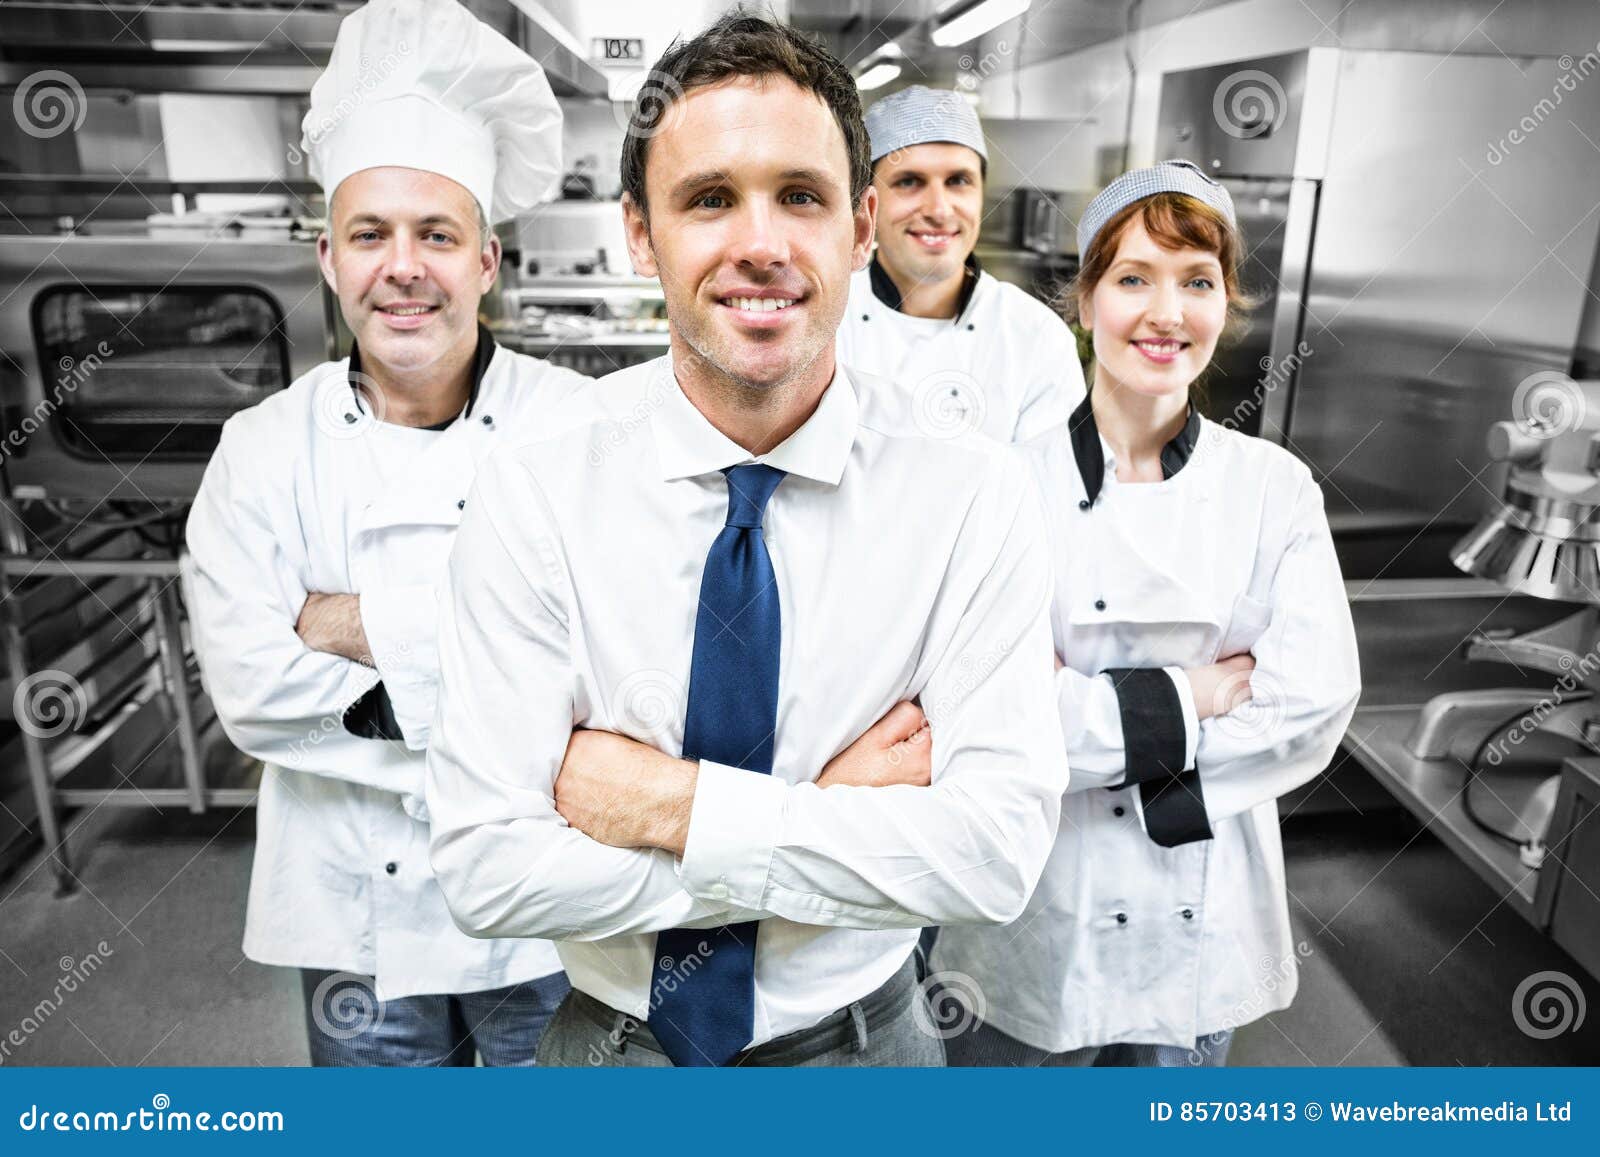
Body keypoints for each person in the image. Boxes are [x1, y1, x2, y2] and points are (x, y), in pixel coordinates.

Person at [424, 13, 1068, 1069]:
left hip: (870, 1050)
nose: (760, 243)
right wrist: (829, 812)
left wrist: (667, 806)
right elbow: (491, 869)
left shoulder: (969, 497)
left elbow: (992, 857)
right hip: (610, 1049)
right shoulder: (536, 490)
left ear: (860, 229)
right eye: (710, 198)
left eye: (801, 197)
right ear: (641, 233)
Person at [182, 0, 583, 1067]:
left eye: (436, 235)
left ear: (488, 261)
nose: (403, 266)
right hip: (350, 915)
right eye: (371, 234)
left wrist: (350, 624)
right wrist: (496, 666)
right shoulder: (260, 448)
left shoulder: (581, 430)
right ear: (329, 257)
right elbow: (255, 695)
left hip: (546, 911)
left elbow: (617, 669)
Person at [930, 160, 1362, 1066]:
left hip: (1198, 935)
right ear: (1084, 302)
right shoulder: (1001, 485)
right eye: (1133, 279)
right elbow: (984, 715)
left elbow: (1312, 704)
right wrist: (1201, 693)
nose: (1167, 314)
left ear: (1225, 303)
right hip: (1031, 920)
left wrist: (1082, 712)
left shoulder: (1273, 489)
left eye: (1197, 282)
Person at [836, 85, 1085, 444]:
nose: (939, 209)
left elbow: (1048, 490)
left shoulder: (1036, 338)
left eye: (958, 181)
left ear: (981, 193)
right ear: (868, 202)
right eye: (909, 182)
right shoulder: (828, 321)